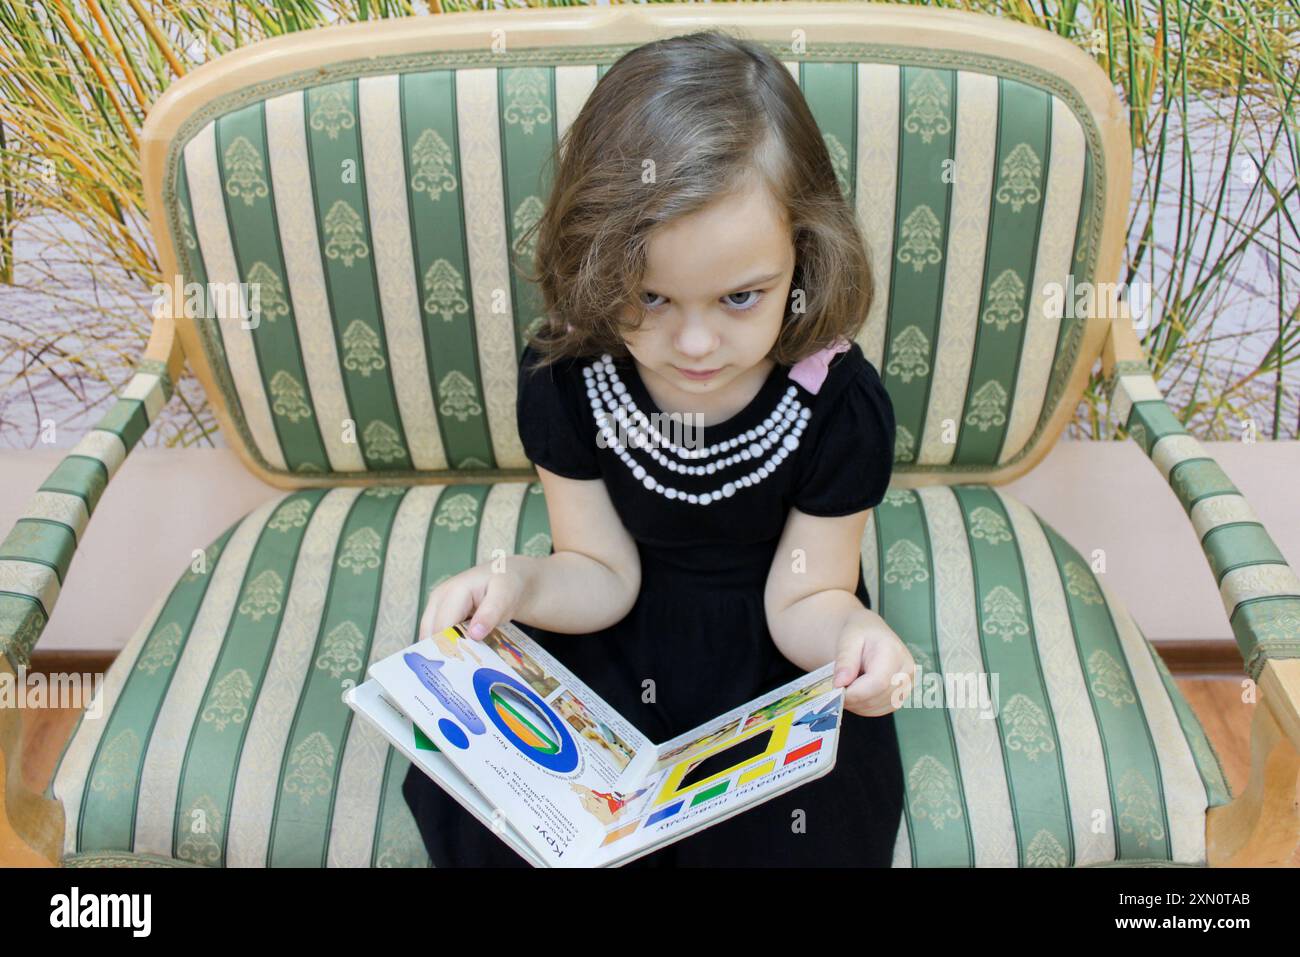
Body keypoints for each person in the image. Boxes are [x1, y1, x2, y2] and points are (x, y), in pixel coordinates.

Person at [402, 29, 912, 868]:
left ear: (804, 258)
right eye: (650, 297)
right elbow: (599, 571)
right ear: (595, 263)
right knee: (512, 813)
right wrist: (515, 581)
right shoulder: (569, 373)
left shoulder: (837, 404)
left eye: (742, 297)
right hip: (613, 638)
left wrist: (859, 636)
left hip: (772, 649)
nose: (698, 341)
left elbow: (806, 597)